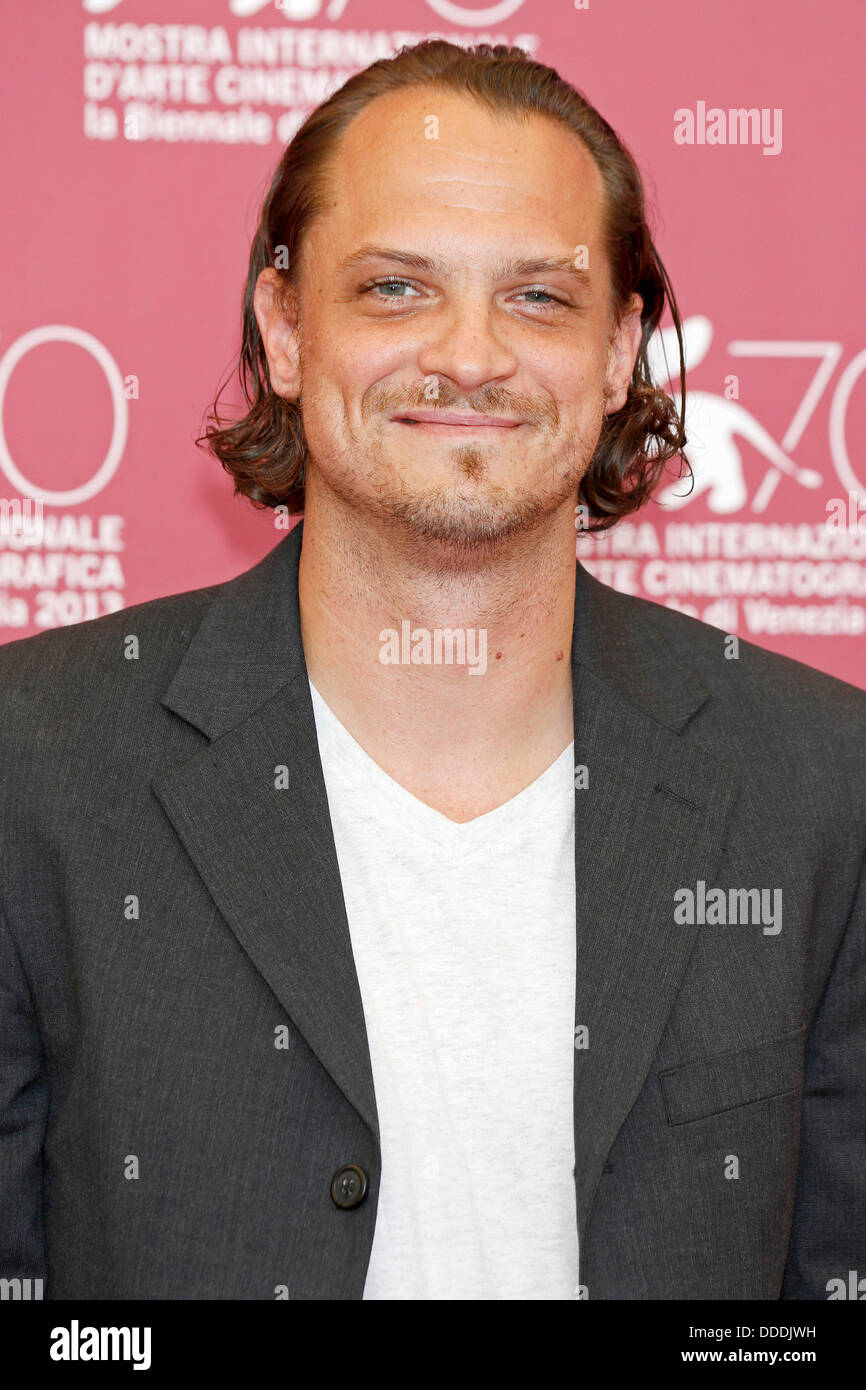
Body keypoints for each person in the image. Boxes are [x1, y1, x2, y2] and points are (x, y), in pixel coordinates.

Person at [1, 40, 863, 1302]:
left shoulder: (818, 784)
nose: (468, 356)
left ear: (620, 352)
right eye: (397, 288)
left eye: (537, 298)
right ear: (284, 332)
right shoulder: (34, 766)